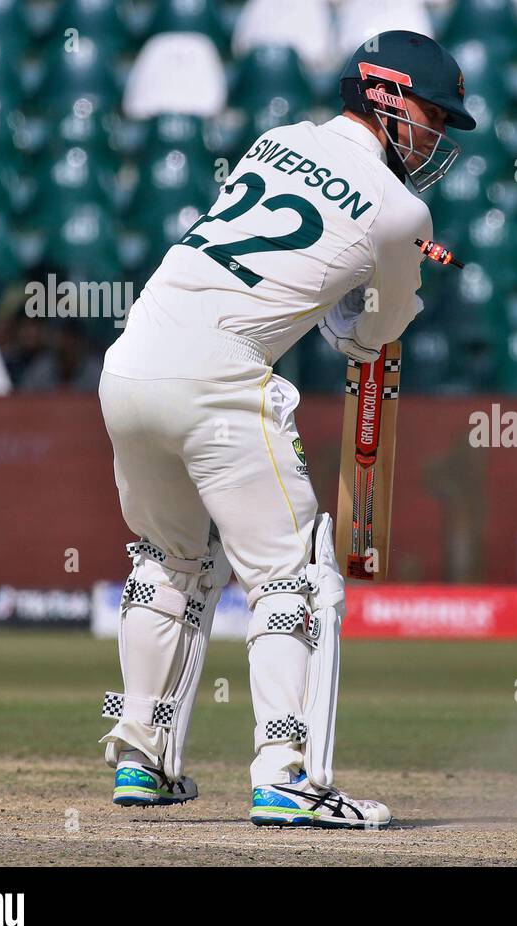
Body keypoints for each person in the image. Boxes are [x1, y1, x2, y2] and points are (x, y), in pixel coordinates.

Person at [95, 30, 473, 828]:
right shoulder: (404, 209)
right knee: (294, 574)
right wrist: (371, 286)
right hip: (219, 380)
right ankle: (288, 777)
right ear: (386, 98)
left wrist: (347, 289)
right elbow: (370, 336)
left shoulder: (276, 141)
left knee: (168, 561)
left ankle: (144, 761)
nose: (438, 136)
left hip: (129, 364)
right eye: (434, 115)